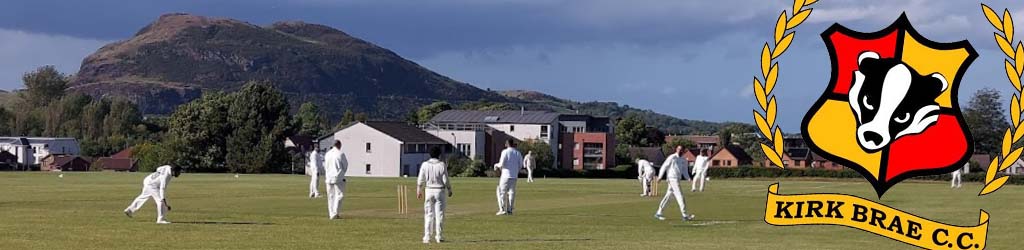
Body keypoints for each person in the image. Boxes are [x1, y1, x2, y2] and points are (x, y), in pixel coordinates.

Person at [417, 146, 453, 244]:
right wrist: (449, 189)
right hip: (439, 190)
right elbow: (445, 179)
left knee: (428, 214)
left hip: (428, 190)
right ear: (439, 155)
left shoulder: (425, 164)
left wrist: (419, 189)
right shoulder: (441, 164)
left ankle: (427, 237)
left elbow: (421, 178)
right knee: (439, 215)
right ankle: (439, 236)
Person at [655, 145, 695, 221]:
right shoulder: (672, 157)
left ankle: (659, 212)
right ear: (676, 149)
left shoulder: (684, 159)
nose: (680, 151)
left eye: (681, 150)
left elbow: (684, 171)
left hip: (677, 179)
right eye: (679, 149)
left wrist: (689, 179)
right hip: (672, 178)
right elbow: (664, 166)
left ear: (684, 151)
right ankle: (684, 214)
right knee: (680, 196)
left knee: (669, 196)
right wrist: (660, 177)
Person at [493, 139, 524, 215]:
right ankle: (510, 210)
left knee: (501, 192)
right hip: (514, 176)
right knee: (511, 193)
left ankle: (502, 209)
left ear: (507, 144)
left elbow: (501, 164)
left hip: (505, 175)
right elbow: (520, 165)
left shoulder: (505, 152)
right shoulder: (518, 153)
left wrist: (496, 165)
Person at [324, 140, 348, 220]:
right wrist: (342, 173)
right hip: (338, 177)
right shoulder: (340, 153)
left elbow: (325, 166)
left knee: (330, 196)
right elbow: (345, 166)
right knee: (340, 195)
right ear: (339, 145)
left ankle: (332, 214)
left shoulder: (327, 154)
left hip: (328, 177)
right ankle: (335, 212)